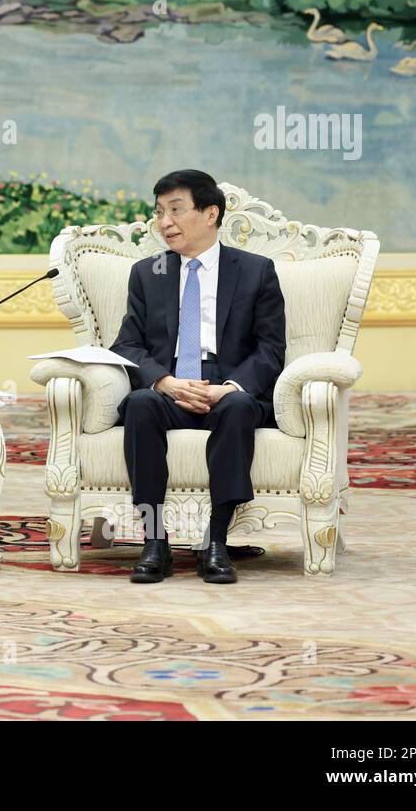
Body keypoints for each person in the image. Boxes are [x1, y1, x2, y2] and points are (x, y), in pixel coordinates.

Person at [110, 170, 286, 584]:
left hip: (227, 387)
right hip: (169, 387)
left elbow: (270, 349)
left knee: (240, 407)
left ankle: (217, 542)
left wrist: (230, 388)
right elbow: (126, 346)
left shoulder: (256, 271)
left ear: (211, 214)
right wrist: (165, 382)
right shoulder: (147, 272)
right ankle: (155, 543)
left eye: (175, 210)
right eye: (158, 212)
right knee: (139, 404)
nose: (164, 222)